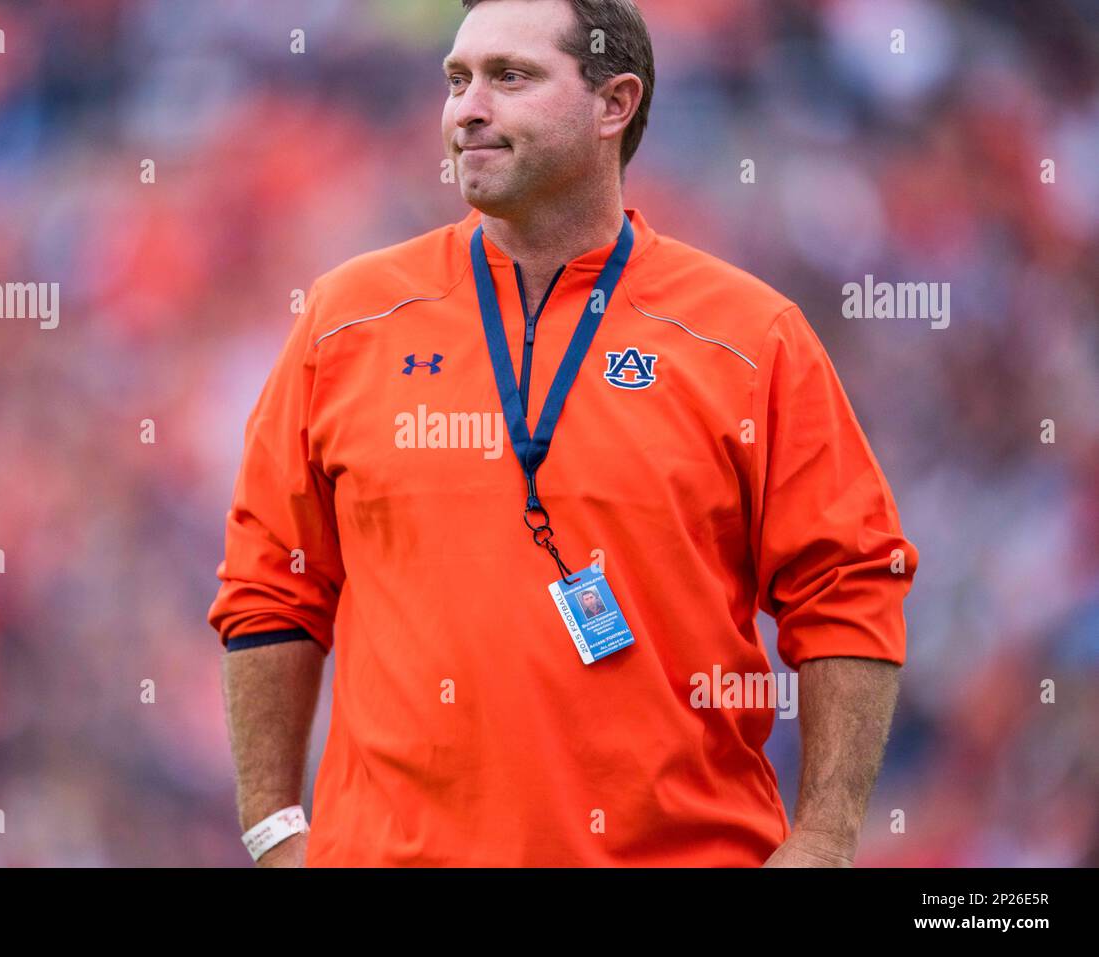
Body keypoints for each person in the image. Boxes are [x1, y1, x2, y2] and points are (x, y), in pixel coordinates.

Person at [209, 0, 918, 867]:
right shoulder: (346, 317)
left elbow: (849, 583)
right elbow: (272, 583)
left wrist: (826, 836)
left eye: (510, 77)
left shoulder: (749, 334)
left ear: (613, 104)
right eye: (457, 79)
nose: (468, 107)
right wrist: (274, 826)